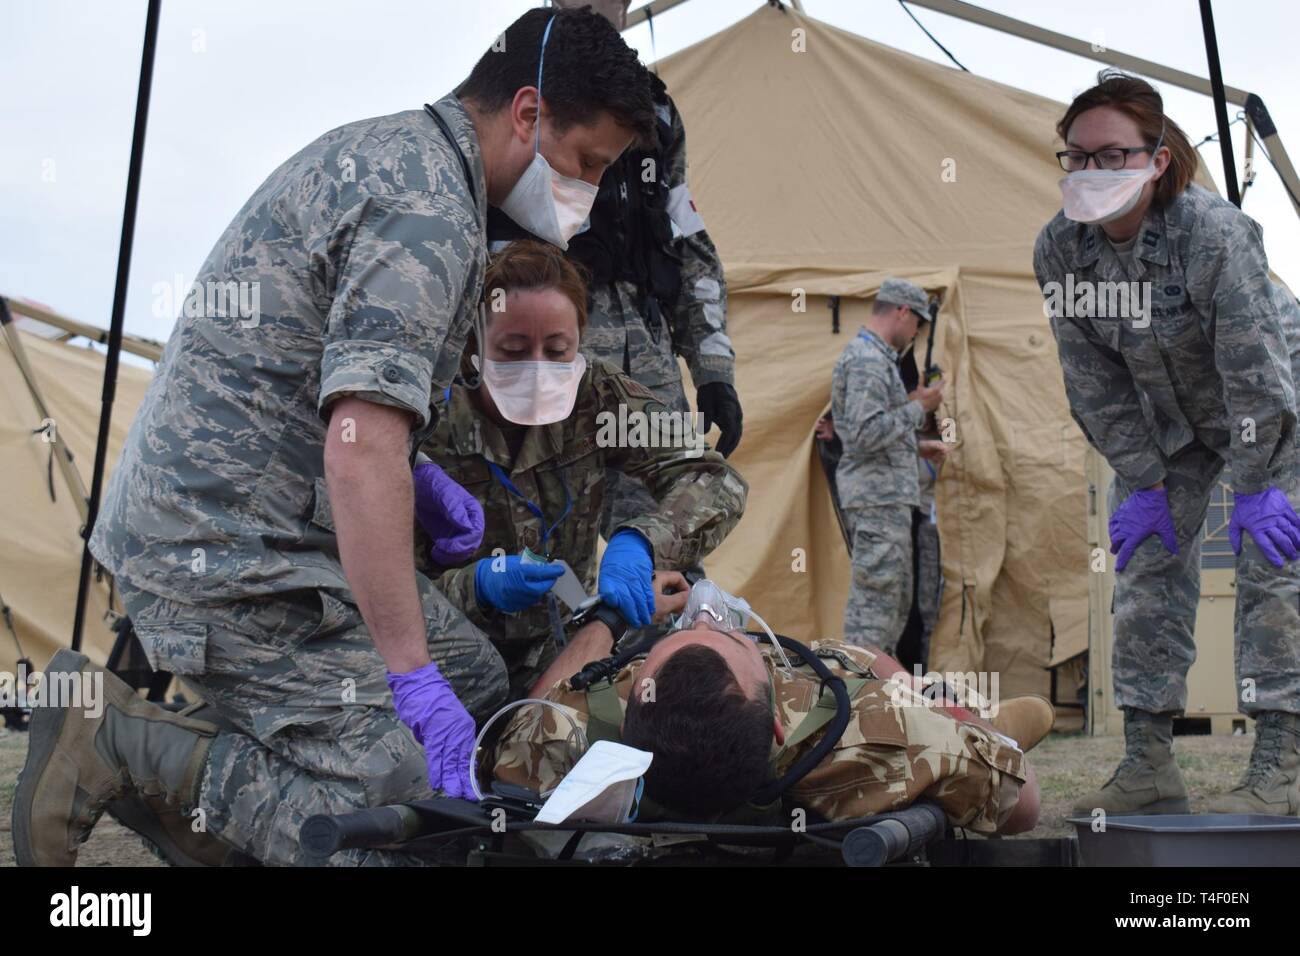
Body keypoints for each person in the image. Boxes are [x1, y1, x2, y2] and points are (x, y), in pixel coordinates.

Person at [13, 6, 657, 867]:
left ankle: (234, 805)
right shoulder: (429, 210)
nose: (586, 189)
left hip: (270, 522)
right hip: (217, 549)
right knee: (402, 794)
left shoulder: (409, 162)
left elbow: (339, 391)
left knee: (477, 686)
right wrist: (407, 678)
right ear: (529, 112)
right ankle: (119, 744)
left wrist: (419, 476)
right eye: (587, 164)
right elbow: (359, 448)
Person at [1034, 69, 1300, 816]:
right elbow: (1092, 380)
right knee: (1146, 567)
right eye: (1078, 156)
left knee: (1272, 565)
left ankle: (1279, 763)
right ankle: (1148, 763)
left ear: (1156, 159)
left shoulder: (1213, 233)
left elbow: (1255, 375)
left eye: (1113, 155)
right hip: (1170, 420)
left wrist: (1254, 485)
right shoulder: (1060, 252)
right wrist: (1145, 480)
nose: (1092, 171)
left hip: (1276, 409)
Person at [413, 240, 747, 699]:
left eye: (557, 350)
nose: (537, 368)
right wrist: (477, 586)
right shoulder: (426, 419)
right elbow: (374, 592)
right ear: (475, 345)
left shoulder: (597, 396)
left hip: (567, 640)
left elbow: (715, 480)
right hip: (447, 655)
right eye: (512, 349)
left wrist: (641, 542)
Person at [491, 577, 1048, 834]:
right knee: (863, 666)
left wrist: (612, 618)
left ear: (633, 699)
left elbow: (539, 709)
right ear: (779, 724)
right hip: (882, 701)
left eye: (680, 636)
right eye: (732, 638)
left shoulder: (568, 738)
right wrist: (955, 719)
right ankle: (983, 716)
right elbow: (1023, 806)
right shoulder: (881, 737)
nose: (706, 614)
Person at [493, 0, 742, 560]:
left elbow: (689, 245)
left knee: (667, 553)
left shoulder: (656, 113)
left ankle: (670, 647)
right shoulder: (521, 88)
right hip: (549, 357)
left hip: (648, 361)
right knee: (541, 551)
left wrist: (714, 373)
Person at [832, 278, 946, 654]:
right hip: (876, 502)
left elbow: (870, 430)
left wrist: (916, 448)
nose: (916, 331)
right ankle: (855, 698)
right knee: (872, 615)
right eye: (917, 322)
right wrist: (920, 409)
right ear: (902, 312)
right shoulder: (867, 361)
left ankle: (874, 698)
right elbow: (864, 433)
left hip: (885, 501)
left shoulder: (875, 358)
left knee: (891, 610)